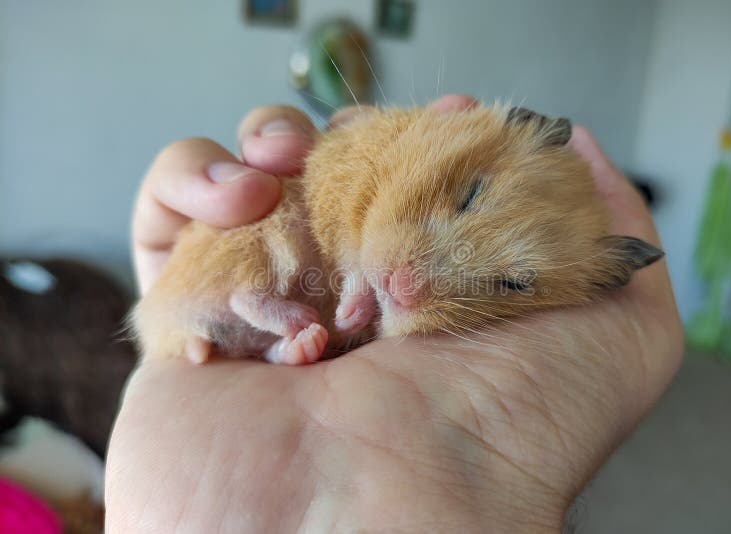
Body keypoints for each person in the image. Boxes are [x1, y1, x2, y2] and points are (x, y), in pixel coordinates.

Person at [105, 95, 683, 532]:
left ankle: (256, 330)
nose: (414, 283)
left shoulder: (572, 294)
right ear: (517, 125)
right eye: (469, 199)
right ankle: (235, 305)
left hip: (275, 332)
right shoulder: (402, 137)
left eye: (509, 282)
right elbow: (332, 183)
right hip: (241, 271)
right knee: (266, 214)